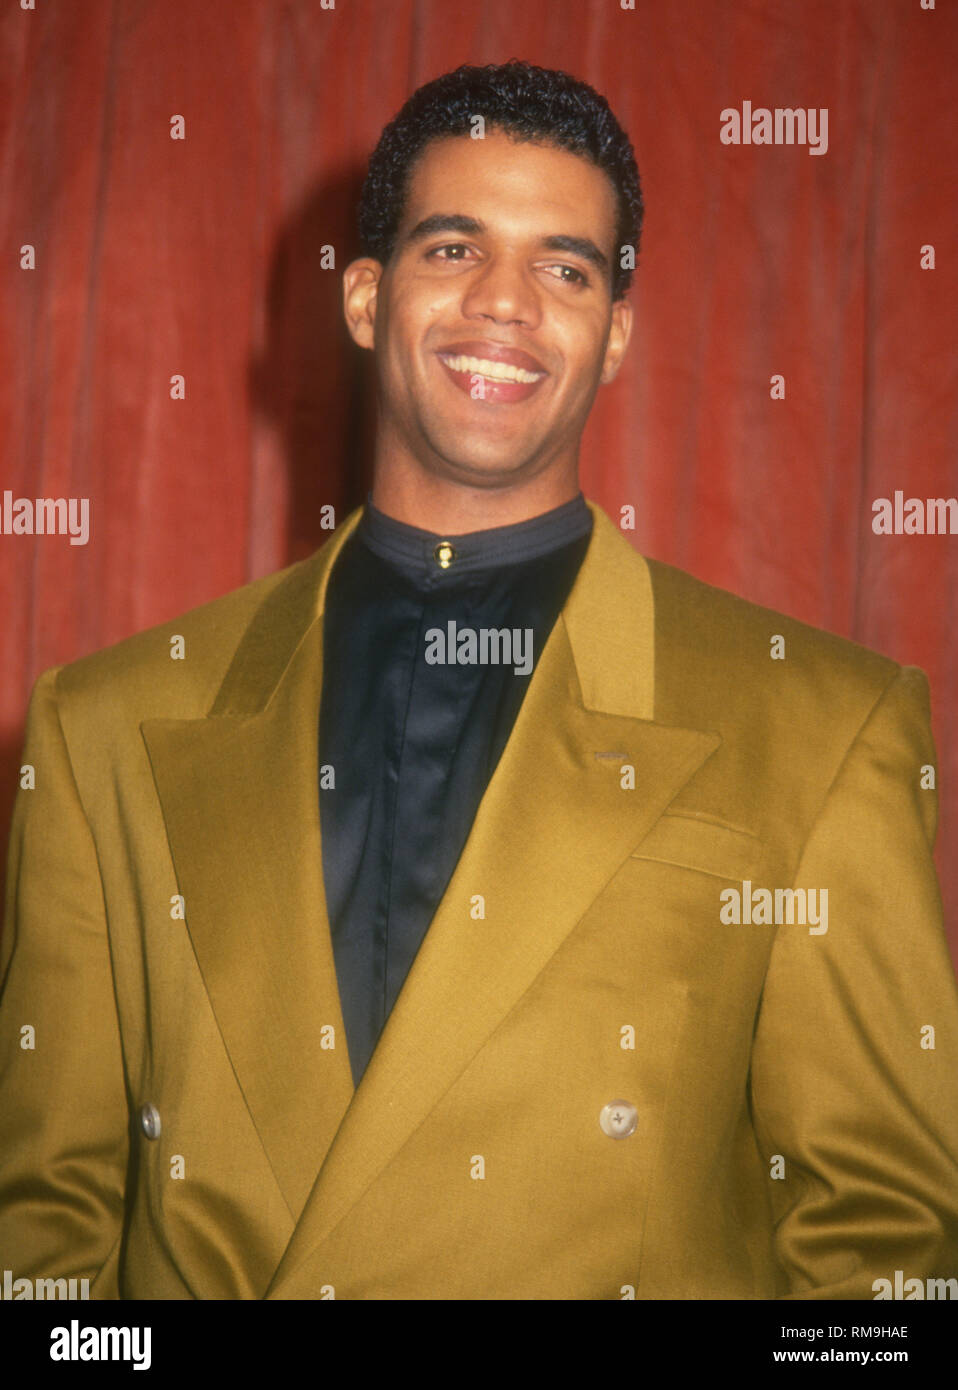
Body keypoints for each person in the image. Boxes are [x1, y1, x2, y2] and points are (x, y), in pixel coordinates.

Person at [1, 60, 957, 1302]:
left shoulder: (827, 724)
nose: (504, 304)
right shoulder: (102, 727)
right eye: (454, 249)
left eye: (564, 268)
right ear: (361, 296)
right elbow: (45, 1249)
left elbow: (886, 1253)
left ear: (614, 335)